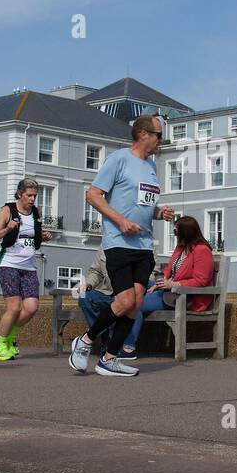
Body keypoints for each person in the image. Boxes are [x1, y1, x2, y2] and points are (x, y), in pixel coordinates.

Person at [68, 114, 176, 376]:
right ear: (143, 135)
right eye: (158, 135)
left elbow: (142, 205)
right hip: (118, 243)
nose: (161, 140)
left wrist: (159, 213)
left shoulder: (151, 165)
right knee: (126, 300)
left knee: (136, 303)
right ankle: (85, 341)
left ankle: (109, 359)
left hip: (143, 245)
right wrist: (121, 221)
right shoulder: (118, 159)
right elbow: (93, 195)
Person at [117, 215, 215, 360]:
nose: (174, 234)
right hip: (170, 291)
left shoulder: (202, 250)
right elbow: (169, 269)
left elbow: (201, 281)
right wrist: (159, 283)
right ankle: (117, 342)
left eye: (176, 232)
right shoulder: (181, 247)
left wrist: (173, 284)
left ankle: (128, 347)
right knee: (134, 288)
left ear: (186, 232)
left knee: (135, 304)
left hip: (187, 297)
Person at [0, 178, 55, 361]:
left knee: (32, 307)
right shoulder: (7, 211)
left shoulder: (36, 212)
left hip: (29, 266)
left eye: (35, 195)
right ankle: (1, 346)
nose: (33, 199)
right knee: (14, 307)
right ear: (20, 194)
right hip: (8, 263)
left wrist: (44, 236)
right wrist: (7, 228)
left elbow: (33, 237)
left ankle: (10, 338)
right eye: (29, 195)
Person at [75, 247, 115, 331]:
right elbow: (96, 271)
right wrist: (88, 283)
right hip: (107, 292)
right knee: (84, 296)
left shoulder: (136, 242)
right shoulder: (104, 245)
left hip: (127, 294)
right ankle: (100, 334)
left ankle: (108, 336)